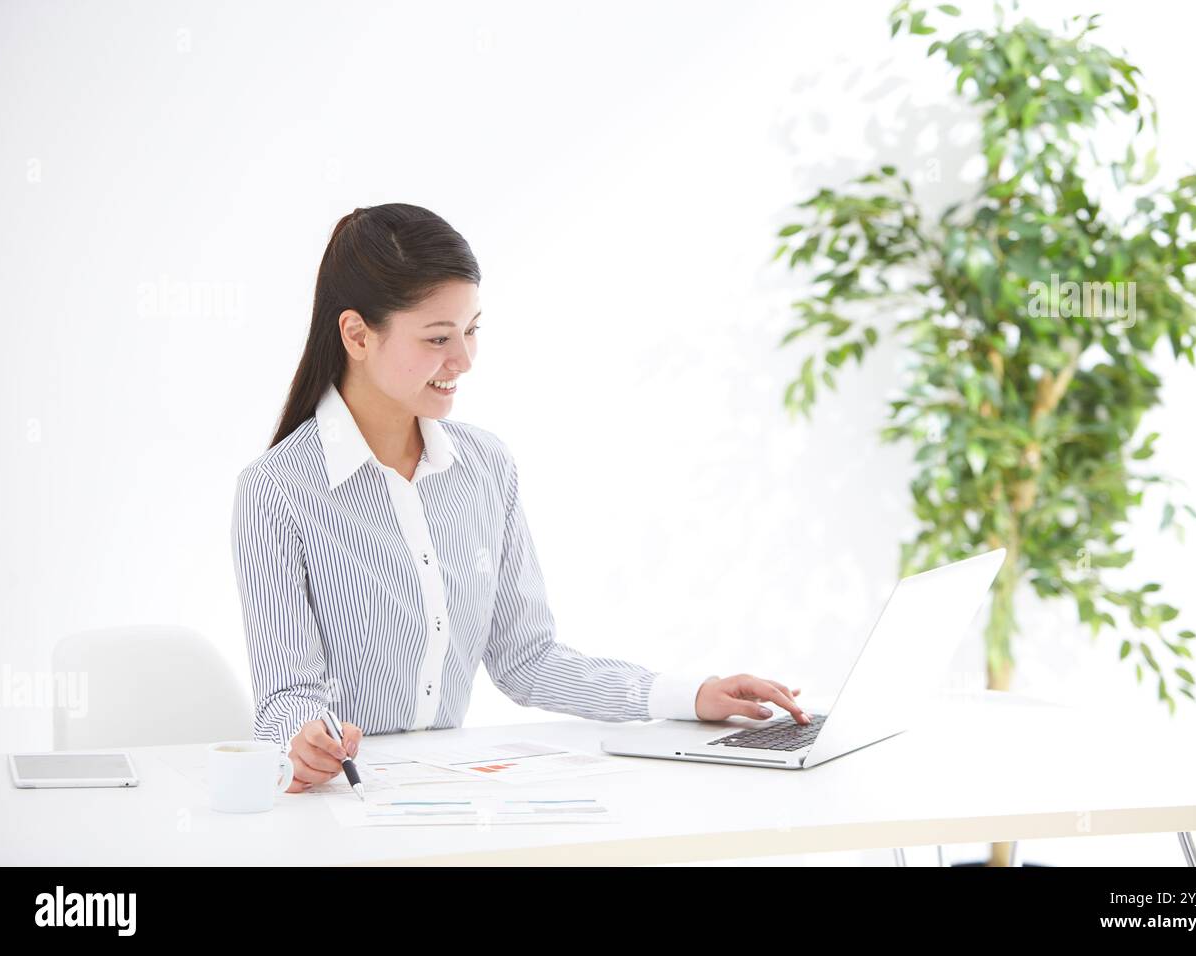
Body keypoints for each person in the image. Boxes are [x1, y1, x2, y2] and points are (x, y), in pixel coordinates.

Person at [230, 203, 809, 792]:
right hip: (338, 809)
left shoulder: (485, 467)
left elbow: (526, 659)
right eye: (437, 338)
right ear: (356, 334)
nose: (464, 360)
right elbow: (283, 698)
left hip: (444, 798)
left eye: (472, 330)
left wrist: (690, 694)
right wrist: (303, 741)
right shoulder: (277, 490)